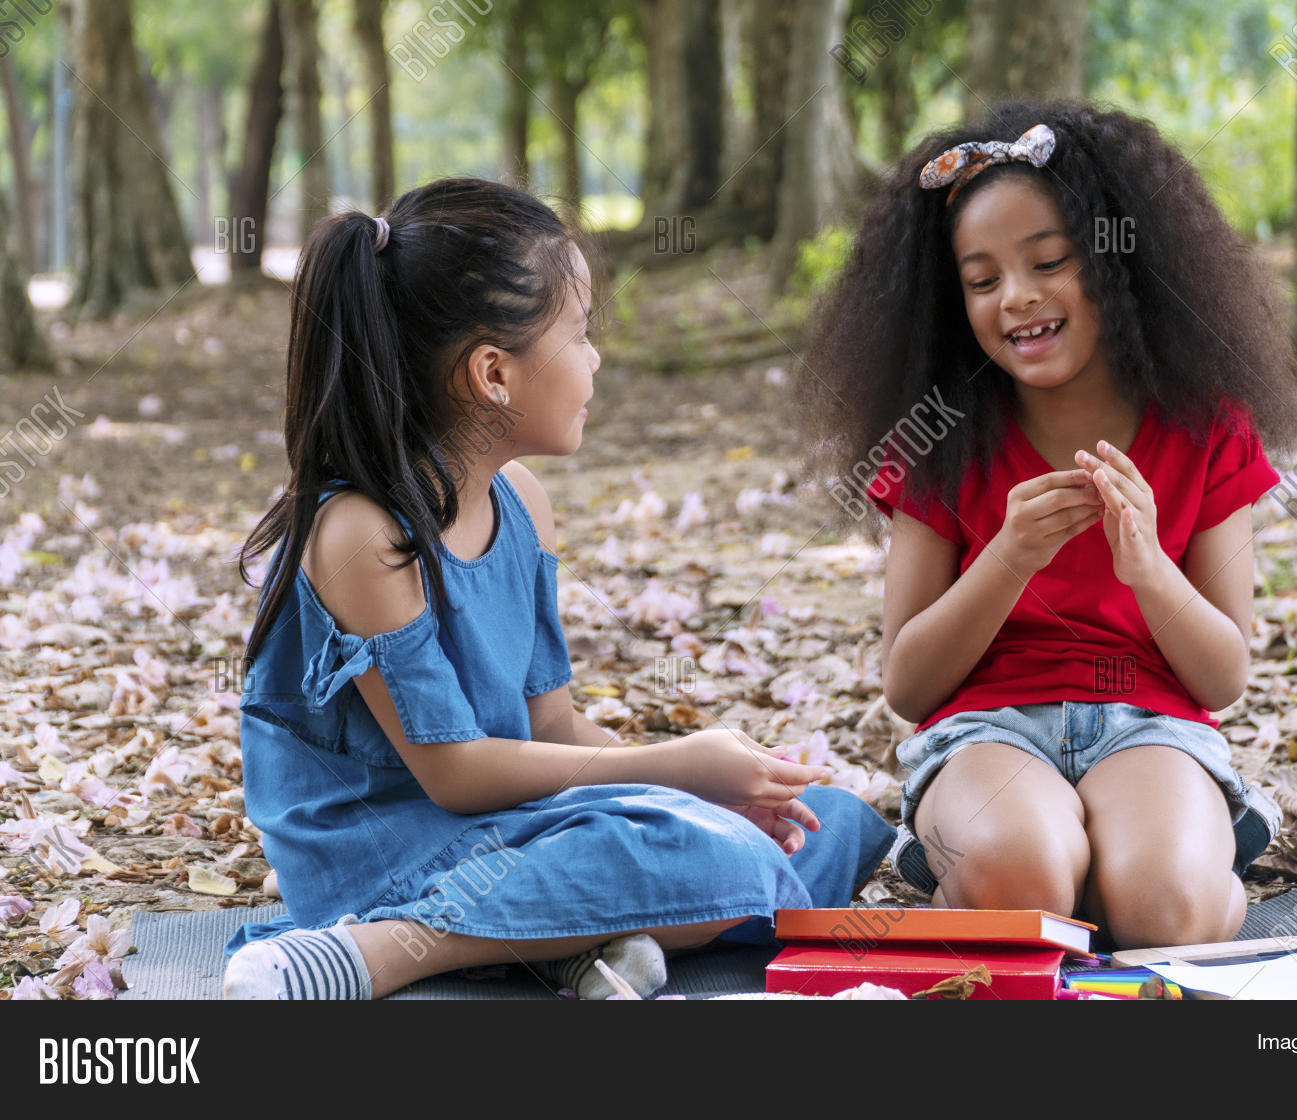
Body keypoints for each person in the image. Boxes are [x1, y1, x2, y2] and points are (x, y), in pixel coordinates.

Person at [222, 178, 894, 1000]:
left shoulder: (523, 505)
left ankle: (569, 940)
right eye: (579, 335)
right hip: (395, 850)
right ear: (494, 374)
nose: (597, 358)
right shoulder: (364, 536)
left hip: (507, 829)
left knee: (824, 822)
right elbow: (455, 776)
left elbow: (553, 723)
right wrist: (678, 774)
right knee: (715, 856)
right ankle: (377, 953)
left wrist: (699, 789)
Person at [798, 102, 1297, 950]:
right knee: (1019, 879)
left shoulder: (1207, 427)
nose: (1019, 298)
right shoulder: (940, 439)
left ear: (1118, 260)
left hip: (1151, 726)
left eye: (1050, 262)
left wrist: (1148, 566)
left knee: (1166, 909)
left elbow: (1221, 678)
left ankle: (1159, 871)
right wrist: (1006, 559)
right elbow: (910, 687)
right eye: (983, 280)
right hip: (986, 731)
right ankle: (1021, 887)